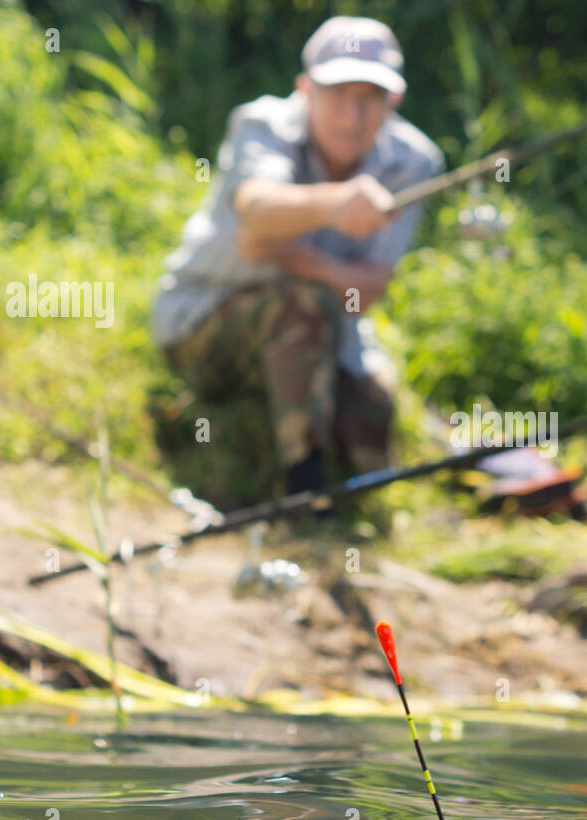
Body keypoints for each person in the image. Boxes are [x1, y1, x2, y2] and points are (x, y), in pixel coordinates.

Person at [151, 15, 444, 496]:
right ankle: (303, 496)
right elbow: (257, 209)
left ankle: (360, 507)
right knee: (302, 307)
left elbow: (364, 294)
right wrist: (333, 206)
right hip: (203, 317)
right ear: (305, 90)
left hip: (331, 330)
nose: (354, 116)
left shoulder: (416, 161)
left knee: (373, 411)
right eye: (338, 96)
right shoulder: (262, 123)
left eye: (369, 98)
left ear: (394, 101)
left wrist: (290, 255)